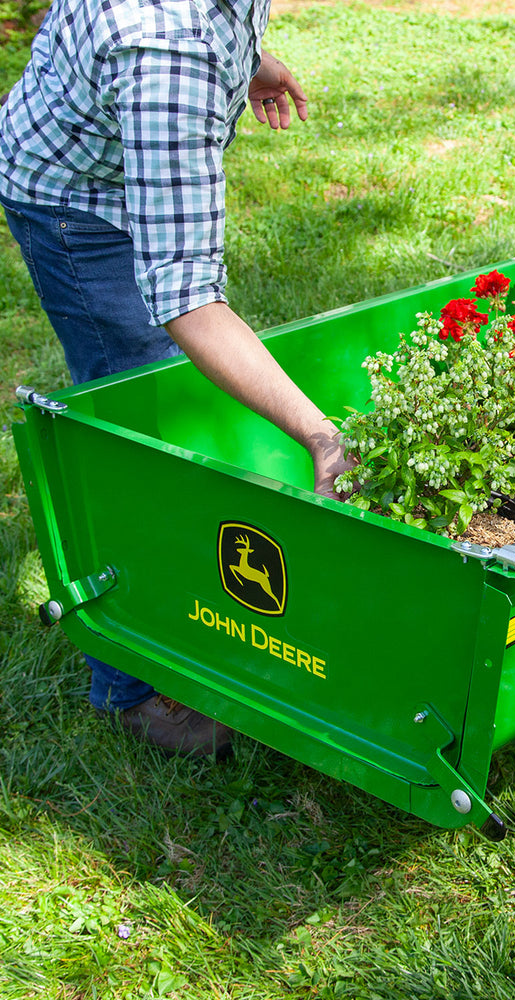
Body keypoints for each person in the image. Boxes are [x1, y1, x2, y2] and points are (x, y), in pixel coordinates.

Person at [0, 0, 352, 757]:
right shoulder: (163, 55)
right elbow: (186, 297)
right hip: (74, 203)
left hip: (96, 132)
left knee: (159, 405)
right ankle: (132, 690)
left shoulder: (189, 37)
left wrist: (248, 58)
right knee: (137, 429)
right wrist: (321, 436)